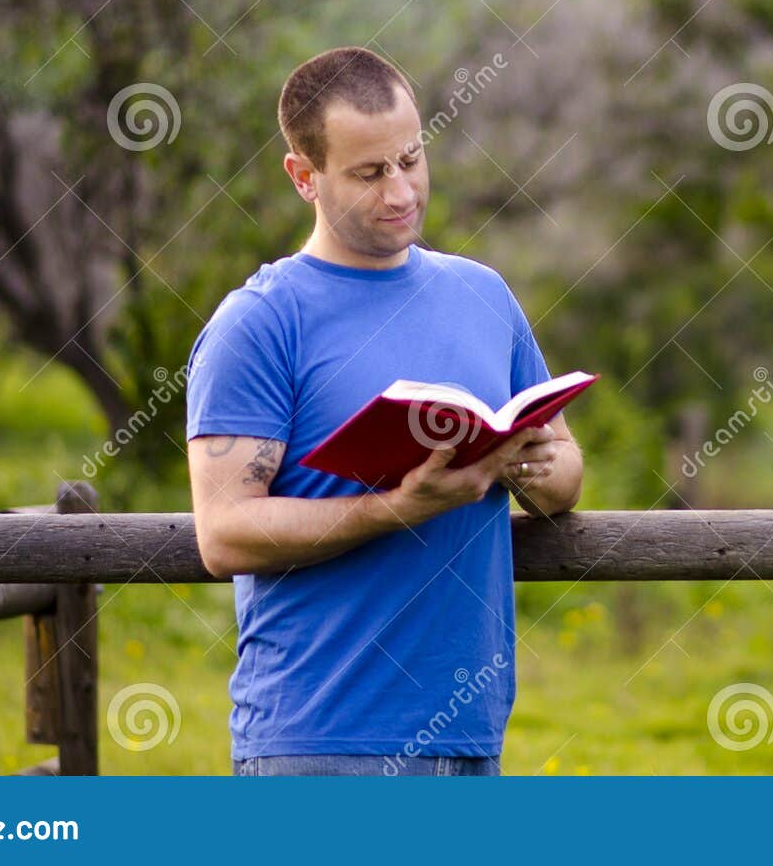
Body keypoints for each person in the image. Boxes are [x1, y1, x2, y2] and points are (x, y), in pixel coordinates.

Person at [185, 46, 583, 776]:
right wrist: (399, 507)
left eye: (411, 159)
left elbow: (564, 470)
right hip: (319, 743)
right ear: (303, 176)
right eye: (369, 173)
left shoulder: (485, 295)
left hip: (470, 737)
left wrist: (524, 461)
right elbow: (225, 533)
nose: (400, 191)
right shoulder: (260, 323)